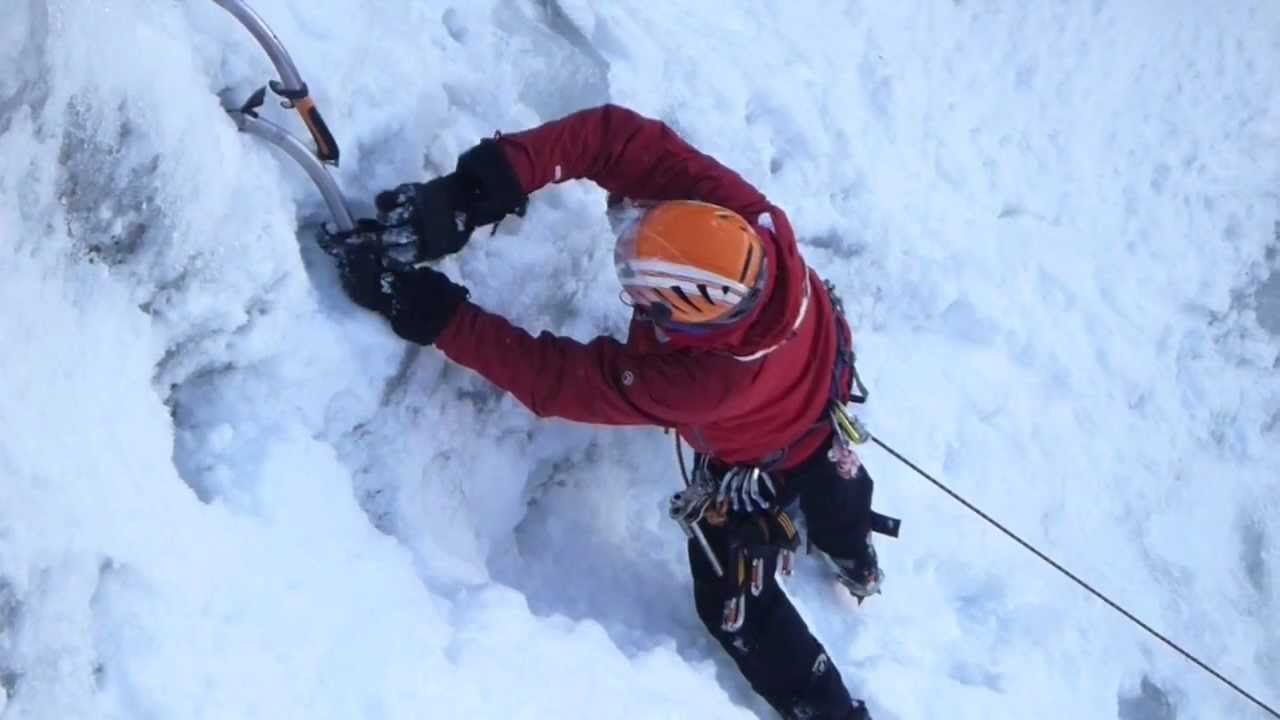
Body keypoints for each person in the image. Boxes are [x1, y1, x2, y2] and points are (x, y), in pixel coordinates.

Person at [334, 104, 886, 720]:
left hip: (769, 446)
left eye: (643, 294)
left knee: (732, 606)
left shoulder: (702, 383)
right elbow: (614, 139)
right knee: (832, 472)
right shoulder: (749, 225)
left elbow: (558, 381)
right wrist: (476, 189)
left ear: (686, 324)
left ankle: (830, 711)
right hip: (823, 373)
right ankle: (853, 550)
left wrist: (439, 316)